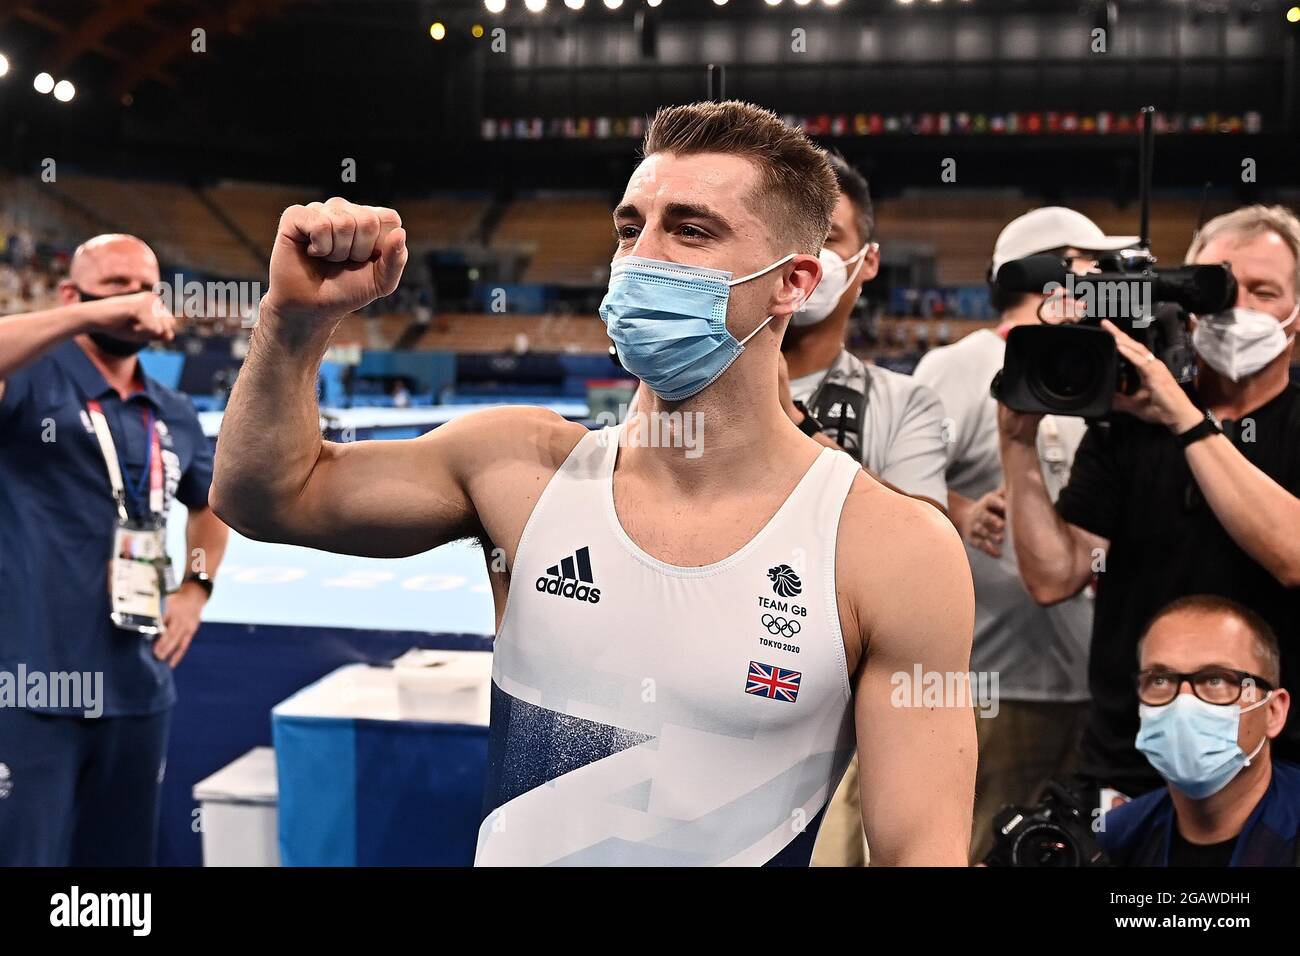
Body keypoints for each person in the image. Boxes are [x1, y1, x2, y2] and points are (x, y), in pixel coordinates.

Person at [212, 100, 976, 866]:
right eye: (629, 227)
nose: (641, 256)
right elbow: (264, 497)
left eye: (691, 229)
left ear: (793, 283)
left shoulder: (891, 550)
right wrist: (293, 323)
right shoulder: (517, 467)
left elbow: (922, 851)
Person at [1000, 204, 1300, 800]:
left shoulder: (1175, 412)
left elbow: (1292, 554)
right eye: (1218, 288)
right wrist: (1017, 445)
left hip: (1278, 765)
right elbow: (1055, 577)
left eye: (1263, 291)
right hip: (1128, 757)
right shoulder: (1131, 422)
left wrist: (1184, 417)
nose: (1236, 309)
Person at [914, 207, 1137, 861]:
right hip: (998, 679)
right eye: (1096, 267)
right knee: (988, 842)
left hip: (1087, 680)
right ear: (1056, 272)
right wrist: (956, 506)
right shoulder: (963, 364)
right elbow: (887, 481)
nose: (1112, 281)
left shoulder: (1094, 369)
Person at [0, 234, 228, 865]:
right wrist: (89, 316)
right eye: (116, 288)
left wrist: (196, 587)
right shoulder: (27, 383)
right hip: (31, 690)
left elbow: (209, 505)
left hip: (138, 687)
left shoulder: (172, 410)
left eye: (145, 288)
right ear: (71, 296)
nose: (134, 303)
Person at [777, 153, 949, 866]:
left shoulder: (904, 403)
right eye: (793, 232)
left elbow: (920, 564)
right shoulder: (683, 399)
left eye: (830, 235)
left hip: (853, 717)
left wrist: (795, 432)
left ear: (867, 261)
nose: (808, 255)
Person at [1098, 595, 1298, 866]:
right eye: (1160, 680)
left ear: (1273, 712)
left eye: (1216, 679)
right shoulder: (1118, 837)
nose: (1183, 704)